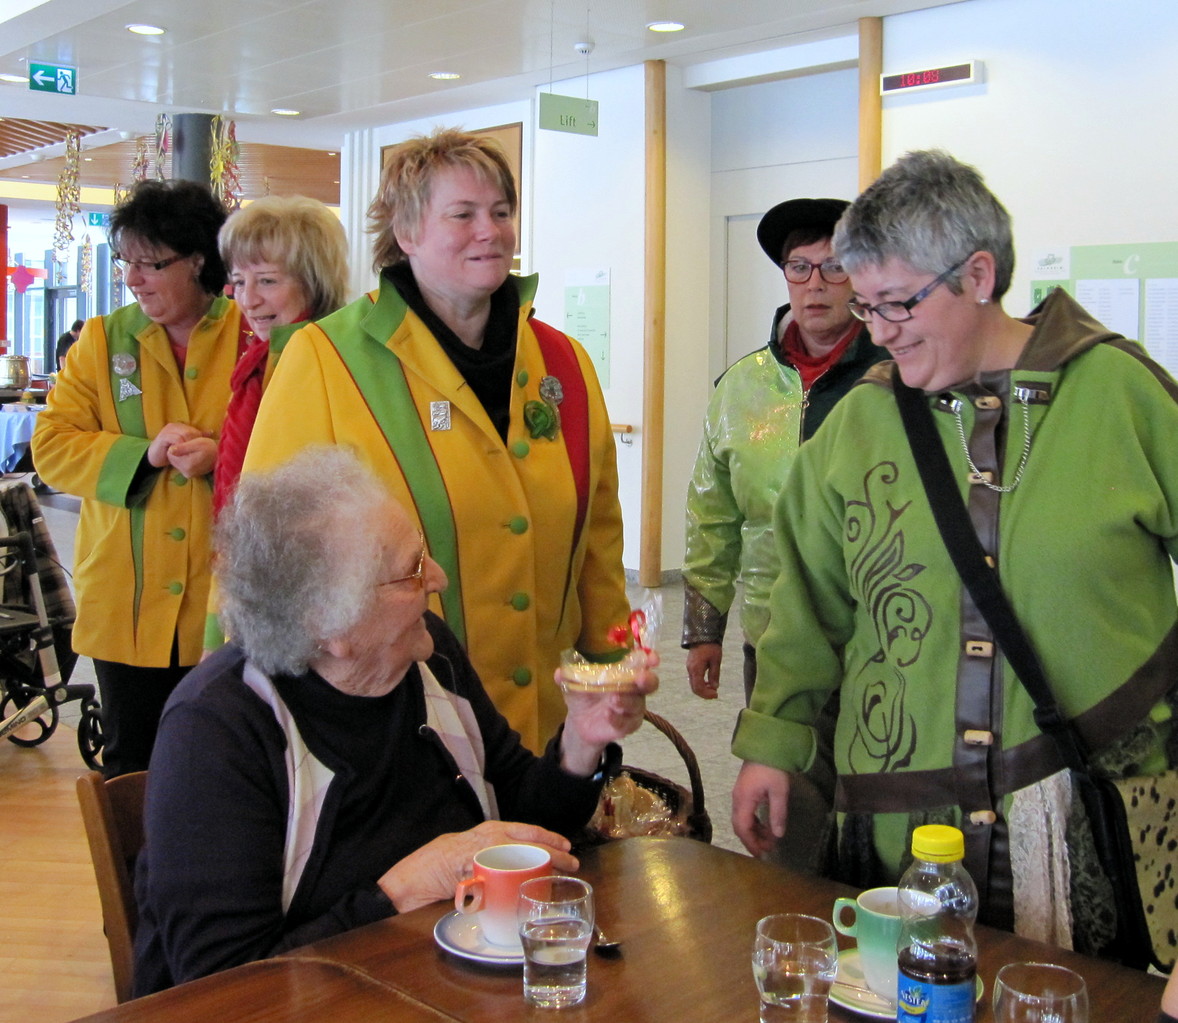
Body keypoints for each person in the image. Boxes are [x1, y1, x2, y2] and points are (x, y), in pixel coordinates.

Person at [731, 150, 1178, 959]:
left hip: (1085, 822)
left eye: (898, 304)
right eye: (865, 308)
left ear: (978, 274)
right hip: (895, 826)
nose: (879, 332)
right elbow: (804, 599)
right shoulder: (857, 427)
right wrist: (772, 740)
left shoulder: (1121, 394)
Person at [132, 446, 656, 995]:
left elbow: (525, 814)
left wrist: (580, 741)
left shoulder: (430, 658)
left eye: (422, 554)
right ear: (326, 623)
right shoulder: (216, 731)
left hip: (443, 992)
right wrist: (403, 890)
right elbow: (224, 987)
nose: (438, 578)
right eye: (409, 572)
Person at [242, 127, 630, 754]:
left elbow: (599, 543)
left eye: (501, 212)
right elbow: (265, 552)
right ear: (407, 232)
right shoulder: (324, 358)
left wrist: (610, 670)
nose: (491, 231)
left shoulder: (565, 361)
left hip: (546, 729)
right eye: (463, 214)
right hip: (391, 730)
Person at [32, 179, 240, 777]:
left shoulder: (254, 335)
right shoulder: (102, 340)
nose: (133, 278)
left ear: (200, 260)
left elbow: (298, 447)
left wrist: (223, 455)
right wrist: (143, 455)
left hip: (228, 604)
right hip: (128, 603)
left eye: (151, 264)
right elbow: (50, 448)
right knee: (133, 767)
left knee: (224, 770)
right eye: (126, 262)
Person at [682, 198, 885, 703]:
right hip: (771, 637)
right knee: (781, 774)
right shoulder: (740, 386)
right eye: (800, 266)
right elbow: (713, 514)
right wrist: (705, 629)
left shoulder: (897, 378)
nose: (815, 283)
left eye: (834, 266)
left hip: (880, 639)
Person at [211, 194, 349, 519]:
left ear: (314, 280)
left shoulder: (334, 358)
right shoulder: (261, 361)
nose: (249, 299)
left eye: (267, 281)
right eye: (239, 282)